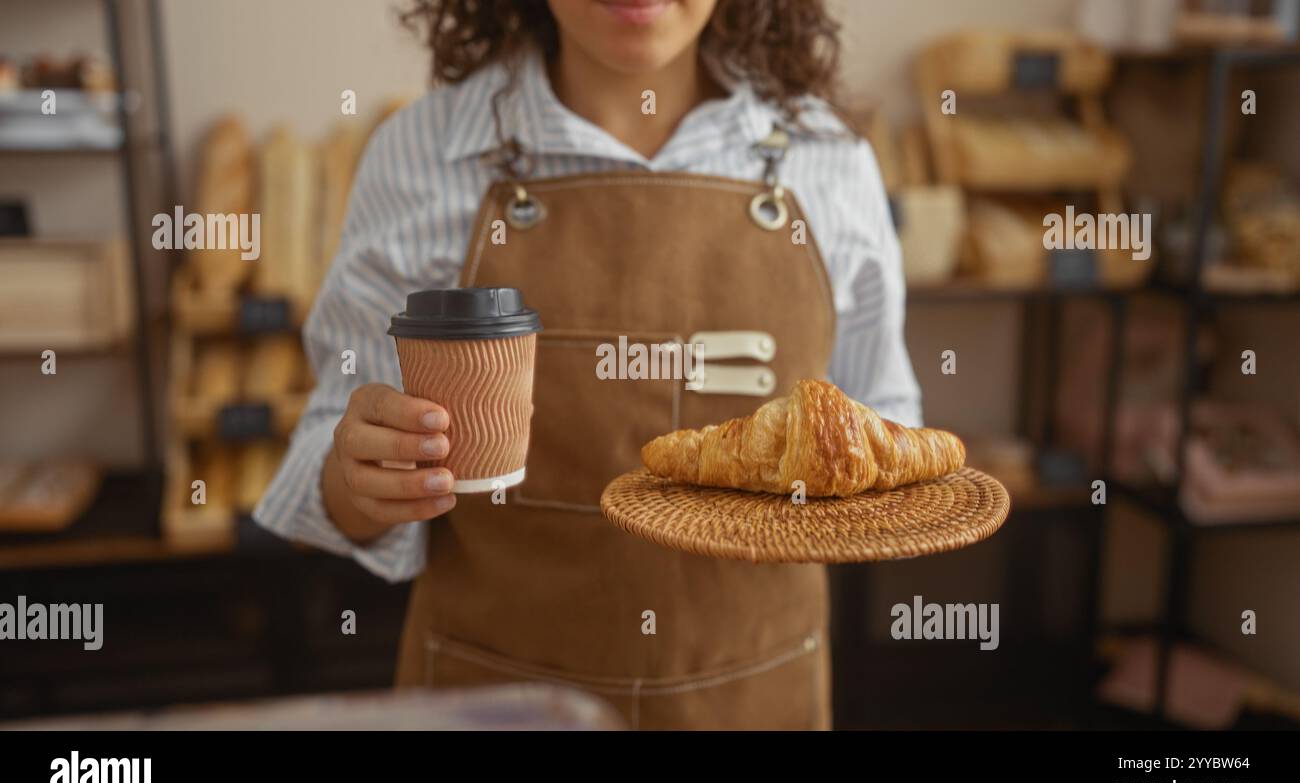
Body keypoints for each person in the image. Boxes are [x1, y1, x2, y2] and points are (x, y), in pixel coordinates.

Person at [254, 0, 921, 729]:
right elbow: (330, 443)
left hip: (758, 697)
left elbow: (886, 429)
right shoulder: (420, 154)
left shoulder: (831, 161)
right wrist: (359, 477)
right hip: (494, 703)